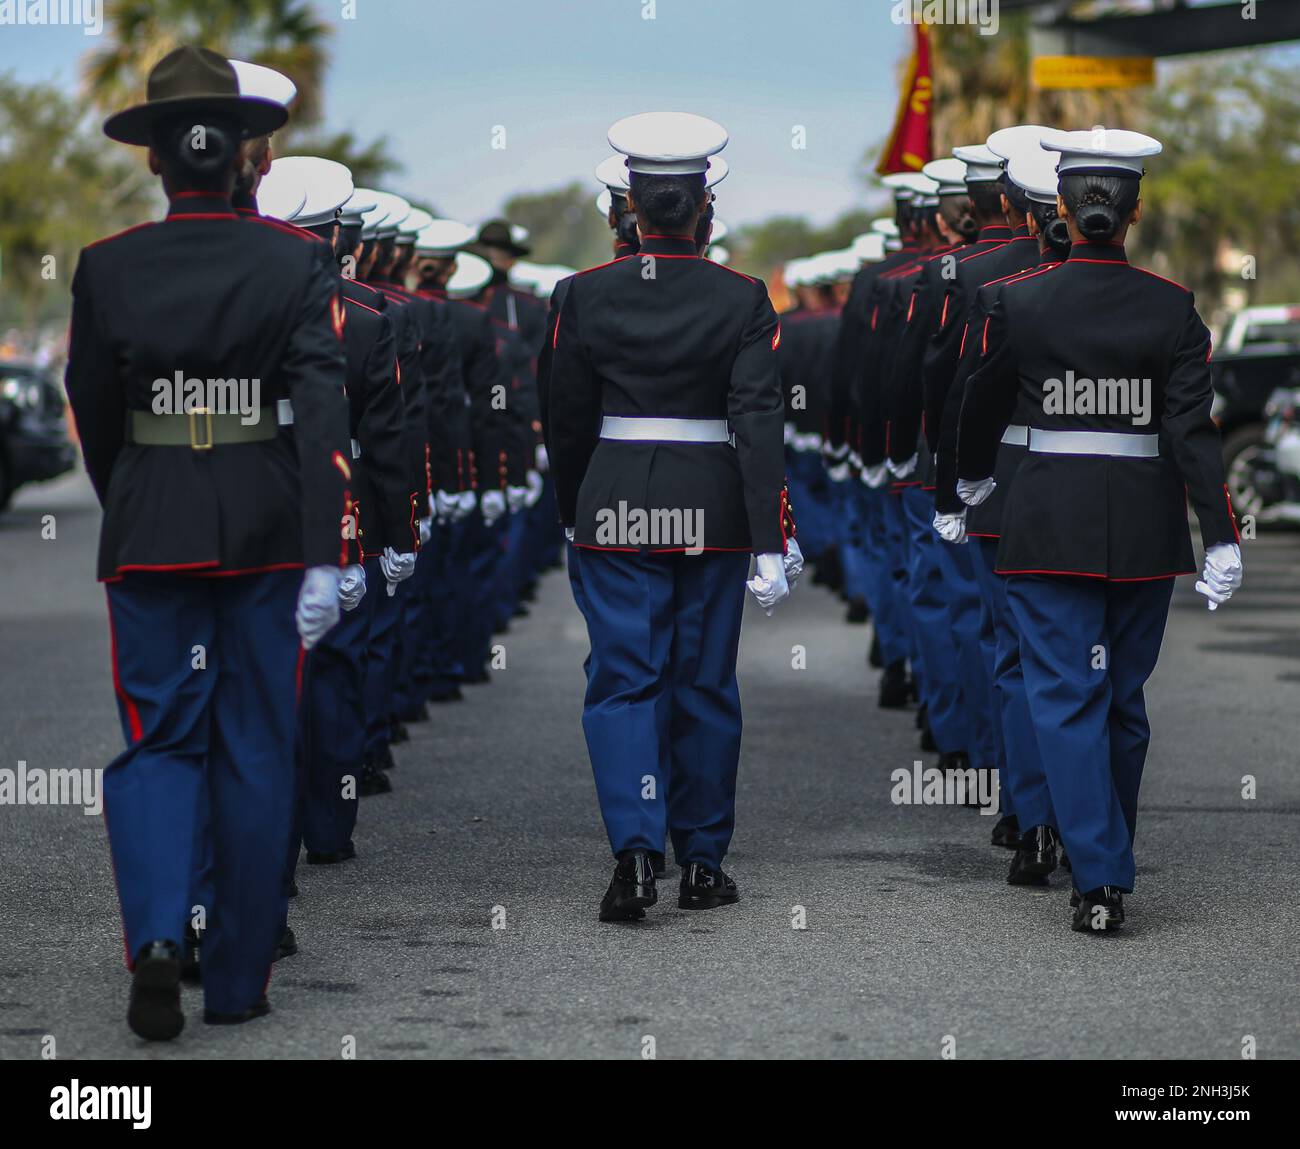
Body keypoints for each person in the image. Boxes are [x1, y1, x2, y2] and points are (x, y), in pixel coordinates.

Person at [66, 46, 353, 1039]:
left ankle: (155, 935)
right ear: (248, 159)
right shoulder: (293, 260)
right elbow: (321, 411)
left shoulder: (106, 267)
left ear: (153, 161)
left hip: (151, 525)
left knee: (158, 741)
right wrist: (326, 548)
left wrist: (136, 495)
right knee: (257, 748)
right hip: (269, 527)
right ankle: (235, 982)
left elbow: (95, 414)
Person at [957, 128, 1244, 932]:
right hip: (1144, 532)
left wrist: (968, 478)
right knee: (1121, 698)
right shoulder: (1173, 307)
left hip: (1047, 525)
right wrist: (1220, 533)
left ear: (1061, 204)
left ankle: (1098, 876)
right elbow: (1194, 432)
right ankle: (1104, 856)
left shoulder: (1017, 300)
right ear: (1134, 211)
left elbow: (980, 401)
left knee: (1064, 695)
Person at [546, 112, 798, 922]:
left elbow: (564, 417)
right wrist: (768, 537)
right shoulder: (744, 298)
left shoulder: (580, 293)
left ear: (630, 207)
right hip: (713, 506)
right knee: (703, 681)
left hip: (613, 496)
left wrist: (572, 508)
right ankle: (700, 858)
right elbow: (758, 423)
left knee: (624, 679)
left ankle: (635, 852)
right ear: (705, 211)